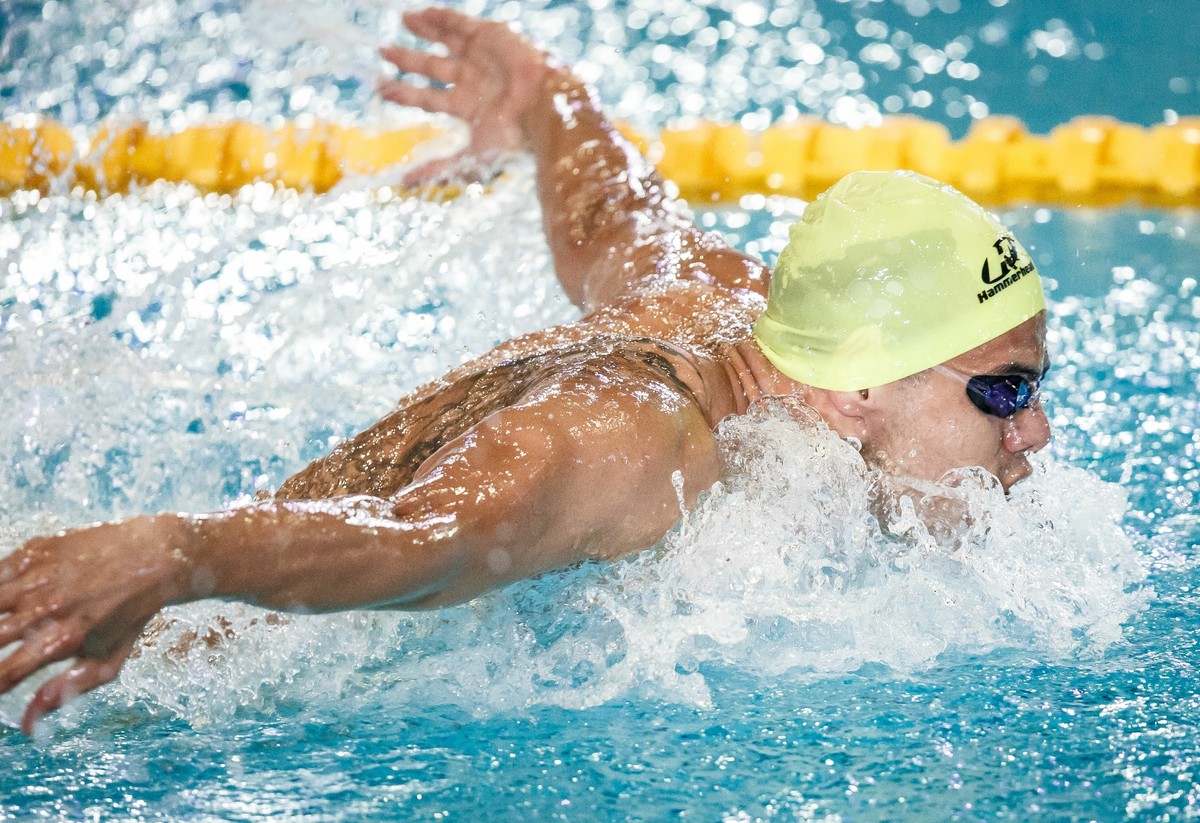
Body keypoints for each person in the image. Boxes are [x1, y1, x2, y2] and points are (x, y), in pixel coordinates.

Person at [0, 7, 1051, 734]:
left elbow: (621, 217)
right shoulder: (637, 444)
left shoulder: (741, 311)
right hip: (142, 660)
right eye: (1003, 390)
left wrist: (544, 101)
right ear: (856, 388)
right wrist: (176, 555)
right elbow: (428, 540)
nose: (1034, 432)